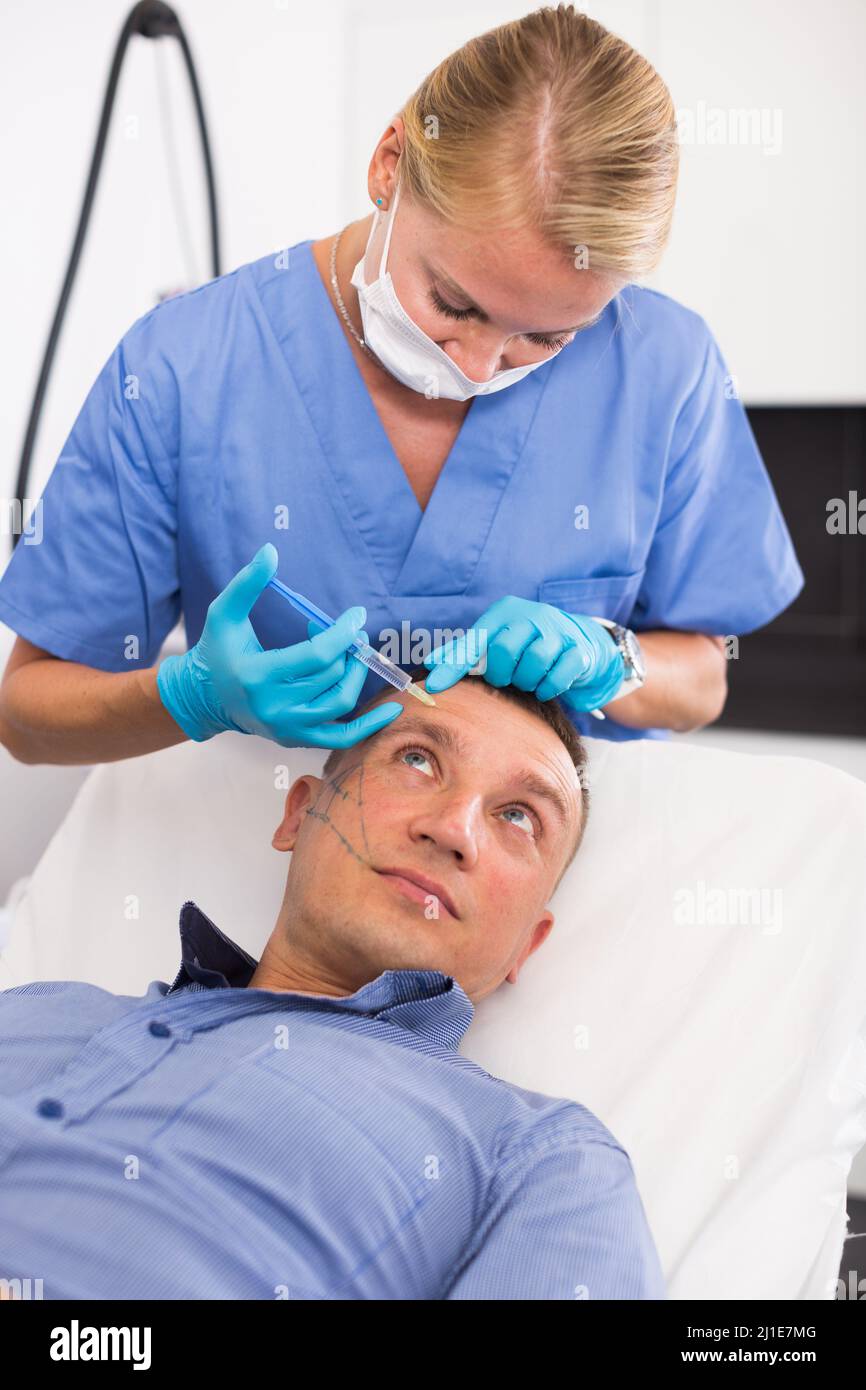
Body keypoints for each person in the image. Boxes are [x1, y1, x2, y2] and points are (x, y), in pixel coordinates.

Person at [0, 6, 803, 768]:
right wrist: (190, 697)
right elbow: (27, 715)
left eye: (549, 337)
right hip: (272, 851)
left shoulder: (664, 363)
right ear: (390, 165)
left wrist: (614, 660)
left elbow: (704, 678)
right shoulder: (183, 367)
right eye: (455, 303)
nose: (482, 367)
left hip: (561, 872)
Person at [0, 670, 664, 1300]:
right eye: (419, 759)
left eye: (519, 817)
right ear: (299, 815)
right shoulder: (39, 1007)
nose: (453, 827)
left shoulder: (537, 1159)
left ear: (529, 943)